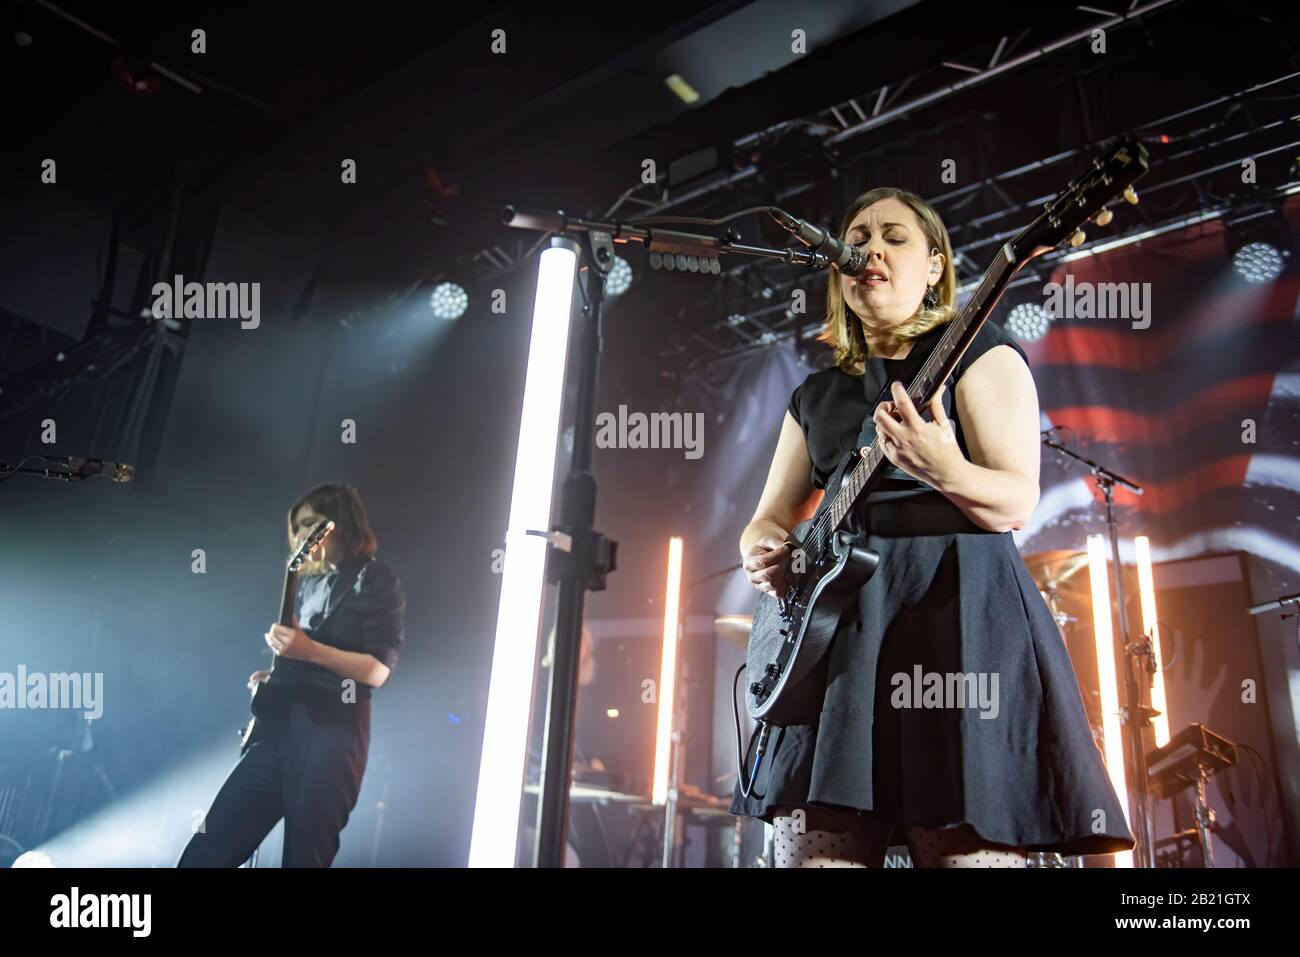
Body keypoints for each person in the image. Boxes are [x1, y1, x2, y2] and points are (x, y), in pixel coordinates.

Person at [730, 187, 1135, 868]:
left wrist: (942, 464)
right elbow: (767, 517)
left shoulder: (984, 354)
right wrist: (765, 550)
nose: (871, 248)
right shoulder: (817, 395)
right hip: (836, 643)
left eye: (895, 236)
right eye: (858, 235)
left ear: (936, 266)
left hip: (956, 625)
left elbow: (1012, 502)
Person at [178, 482, 405, 867]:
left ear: (340, 524)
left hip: (333, 734)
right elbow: (305, 660)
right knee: (207, 849)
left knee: (304, 859)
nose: (302, 536)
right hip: (281, 733)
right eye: (297, 527)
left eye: (312, 524)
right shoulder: (312, 583)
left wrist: (307, 650)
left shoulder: (376, 578)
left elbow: (377, 670)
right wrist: (275, 676)